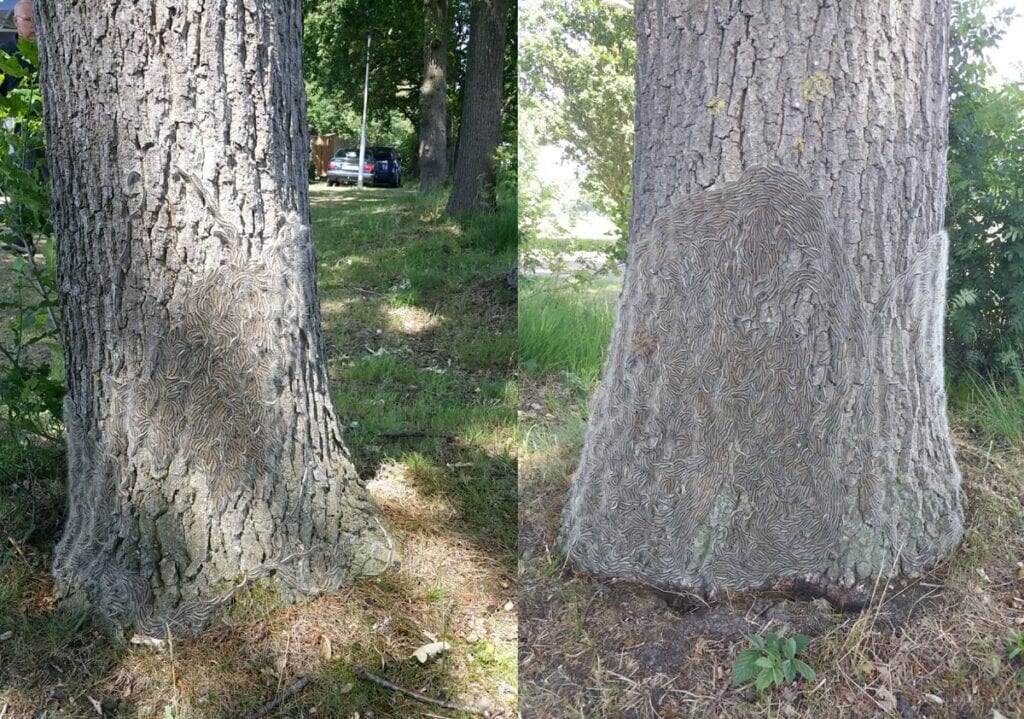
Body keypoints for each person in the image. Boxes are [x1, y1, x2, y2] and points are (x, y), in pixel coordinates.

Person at [1, 0, 38, 253]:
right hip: (19, 130)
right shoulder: (6, 54)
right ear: (16, 21)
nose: (35, 26)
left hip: (49, 130)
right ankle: (20, 237)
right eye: (29, 20)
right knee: (22, 182)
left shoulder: (54, 50)